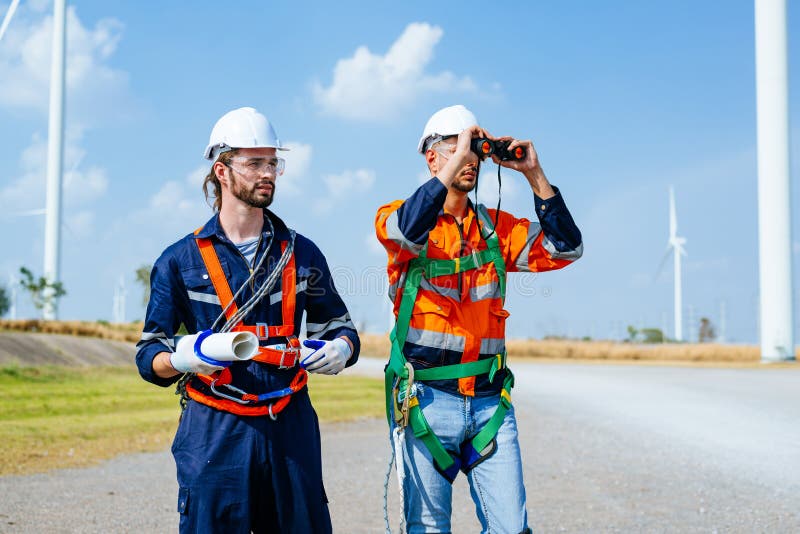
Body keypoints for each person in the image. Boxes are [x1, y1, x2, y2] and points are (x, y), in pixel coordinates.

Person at [136, 107, 360, 533]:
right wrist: (186, 360)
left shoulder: (302, 253)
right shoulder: (178, 262)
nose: (267, 173)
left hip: (289, 424)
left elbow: (341, 328)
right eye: (254, 163)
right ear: (221, 170)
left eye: (273, 162)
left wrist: (341, 349)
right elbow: (149, 355)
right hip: (214, 432)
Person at [375, 105, 583, 533]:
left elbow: (566, 248)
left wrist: (533, 173)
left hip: (490, 403)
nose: (469, 160)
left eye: (473, 152)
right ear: (432, 158)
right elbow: (405, 232)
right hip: (426, 403)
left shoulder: (497, 230)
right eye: (456, 149)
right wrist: (458, 159)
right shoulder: (399, 218)